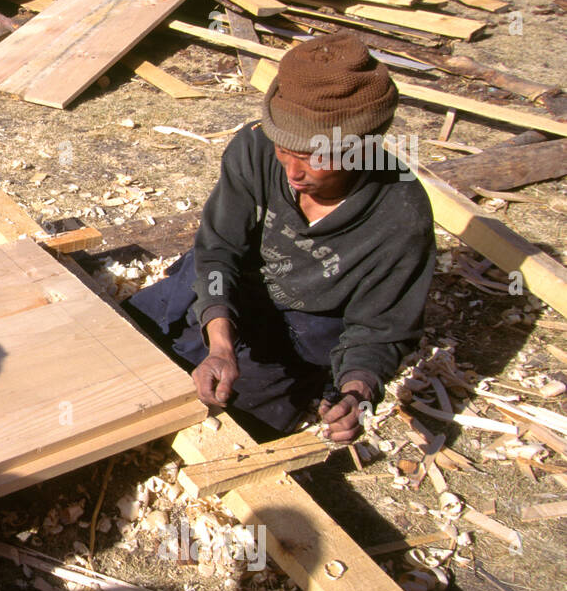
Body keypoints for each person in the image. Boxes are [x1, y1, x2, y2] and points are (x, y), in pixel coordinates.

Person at [127, 31, 435, 442]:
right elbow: (219, 251)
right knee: (127, 340)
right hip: (232, 285)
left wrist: (357, 391)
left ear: (361, 150)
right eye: (284, 150)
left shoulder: (400, 211)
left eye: (315, 158)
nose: (293, 172)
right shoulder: (254, 146)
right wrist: (220, 344)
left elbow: (381, 329)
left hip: (302, 324)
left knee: (230, 417)